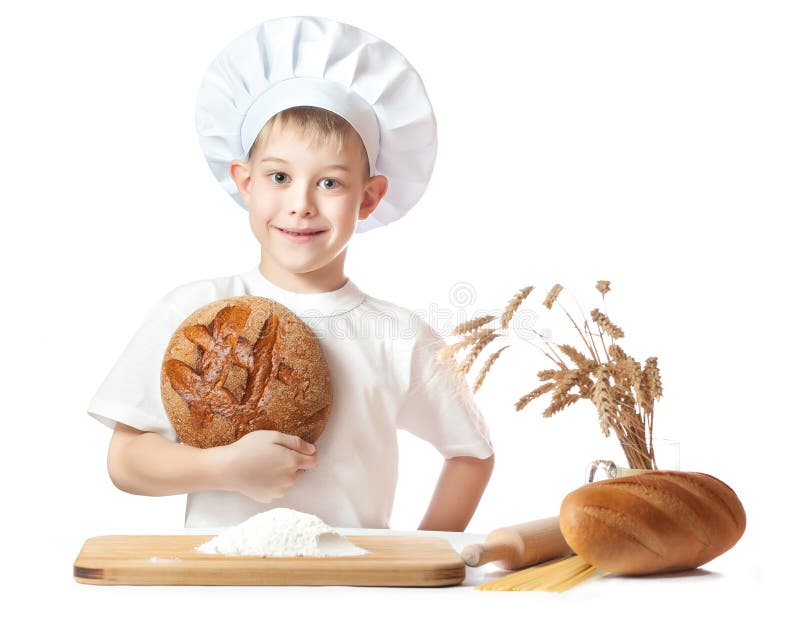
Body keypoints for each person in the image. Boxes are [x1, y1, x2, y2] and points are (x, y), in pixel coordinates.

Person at [88, 16, 494, 531]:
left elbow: (471, 454)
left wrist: (420, 562)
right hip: (219, 597)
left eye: (330, 182)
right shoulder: (191, 313)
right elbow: (125, 462)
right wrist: (224, 467)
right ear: (245, 182)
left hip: (352, 601)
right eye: (279, 176)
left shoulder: (399, 336)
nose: (300, 205)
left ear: (368, 198)